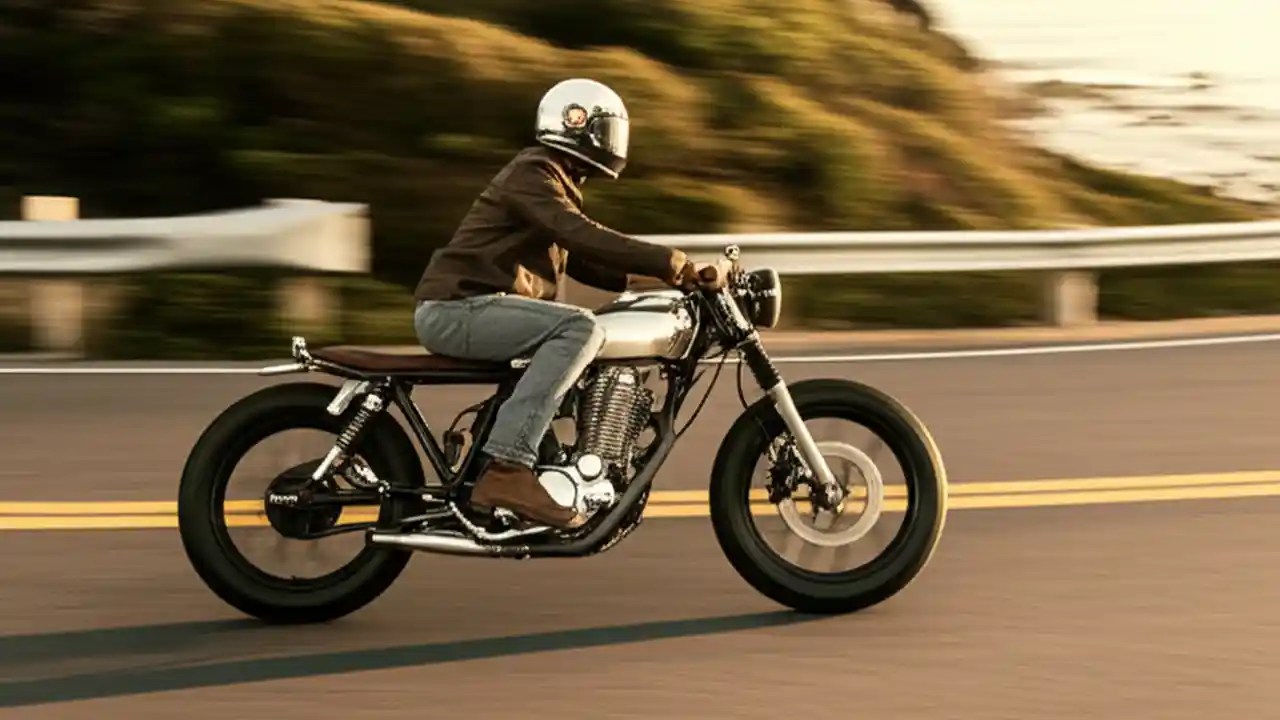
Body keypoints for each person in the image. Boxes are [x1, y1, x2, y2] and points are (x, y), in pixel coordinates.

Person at [412, 78, 719, 530]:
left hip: (474, 308)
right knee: (580, 329)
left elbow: (584, 262)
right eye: (608, 130)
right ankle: (507, 470)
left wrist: (673, 278)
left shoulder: (551, 180)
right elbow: (578, 233)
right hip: (457, 309)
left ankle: (536, 461)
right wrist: (670, 261)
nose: (615, 142)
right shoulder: (533, 172)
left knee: (582, 336)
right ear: (578, 124)